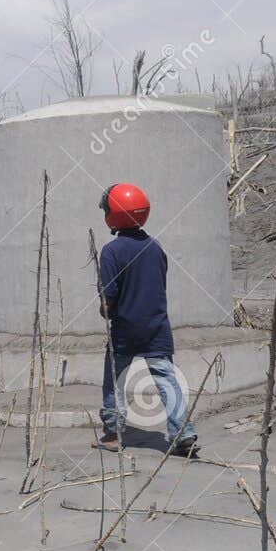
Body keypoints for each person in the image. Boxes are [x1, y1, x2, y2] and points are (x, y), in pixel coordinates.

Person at [95, 182, 197, 456]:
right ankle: (183, 433)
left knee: (114, 380)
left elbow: (109, 298)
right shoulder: (155, 247)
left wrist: (105, 309)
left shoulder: (111, 251)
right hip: (156, 327)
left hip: (125, 329)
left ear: (113, 214)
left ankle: (113, 434)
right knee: (167, 381)